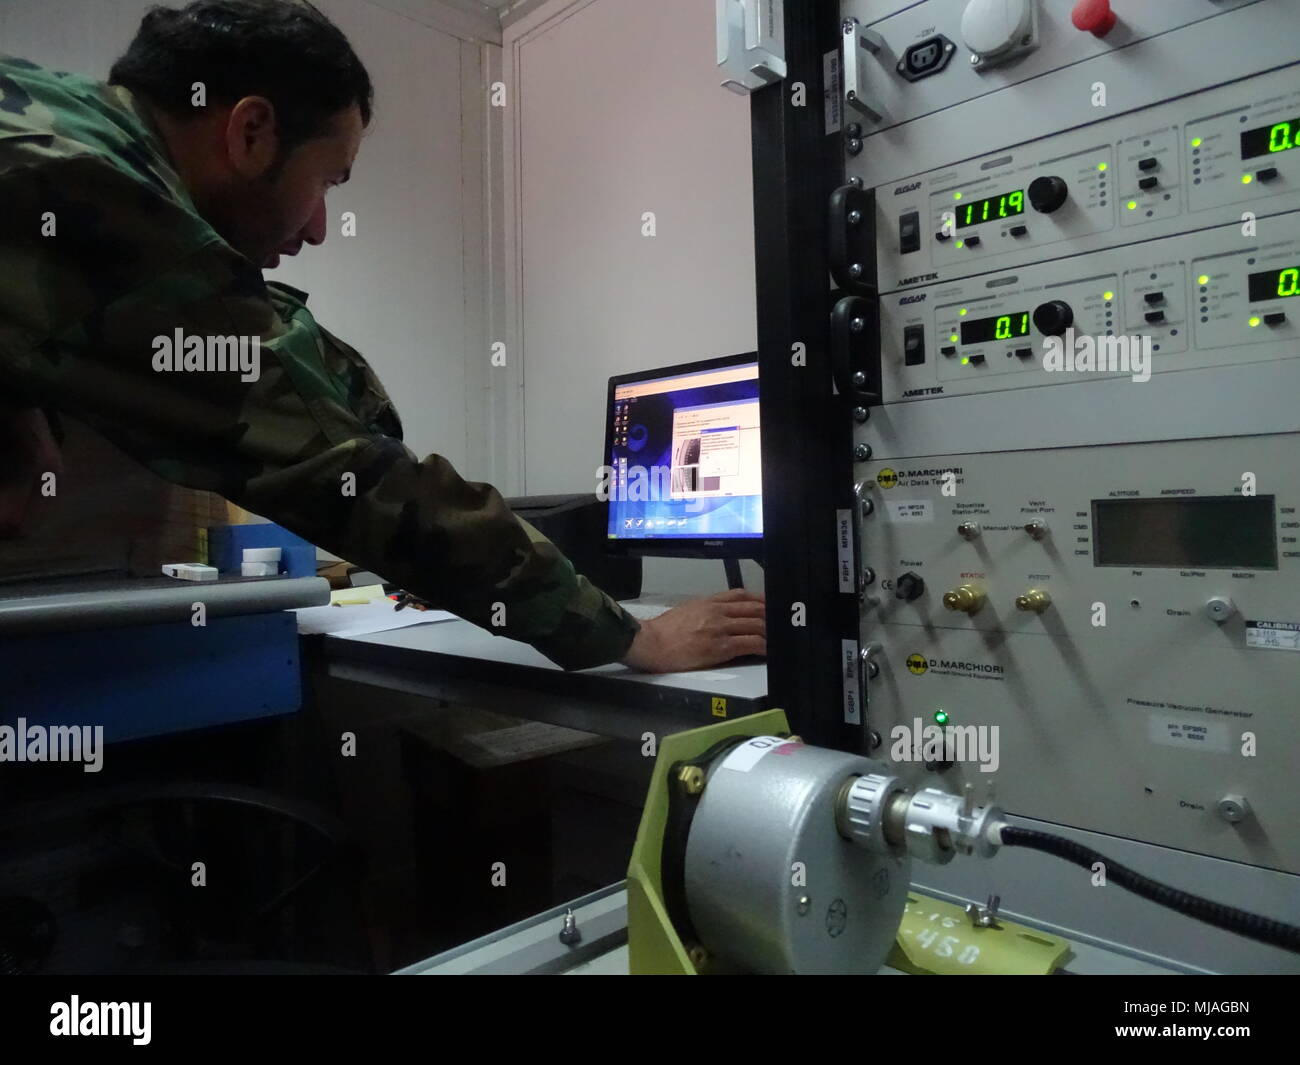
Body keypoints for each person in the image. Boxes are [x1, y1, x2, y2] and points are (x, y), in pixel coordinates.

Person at [0, 0, 764, 672]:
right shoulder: (110, 201)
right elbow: (355, 479)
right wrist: (629, 637)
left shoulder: (49, 114)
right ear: (252, 131)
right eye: (330, 180)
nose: (320, 228)